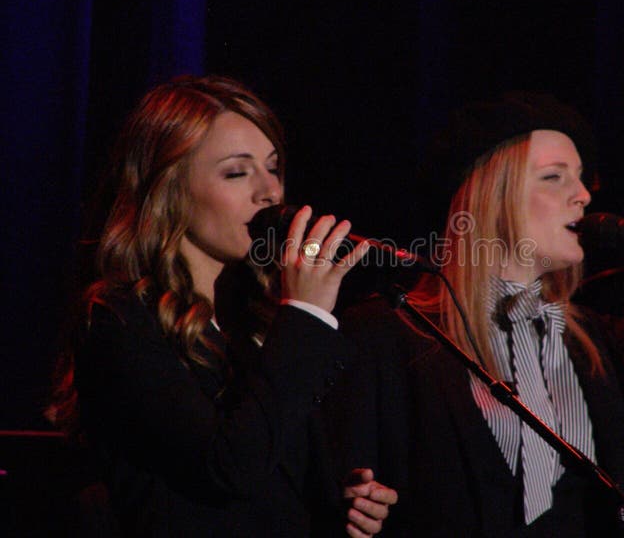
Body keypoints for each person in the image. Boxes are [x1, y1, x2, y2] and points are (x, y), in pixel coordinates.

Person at [329, 92, 624, 536]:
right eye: (554, 177)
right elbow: (346, 496)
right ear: (491, 194)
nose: (582, 196)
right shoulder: (388, 334)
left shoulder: (586, 340)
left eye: (580, 180)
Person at [49, 75, 397, 536]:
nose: (270, 192)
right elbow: (227, 466)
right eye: (237, 172)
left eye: (273, 168)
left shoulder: (256, 318)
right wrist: (306, 316)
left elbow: (270, 474)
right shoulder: (120, 319)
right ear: (169, 190)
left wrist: (339, 504)